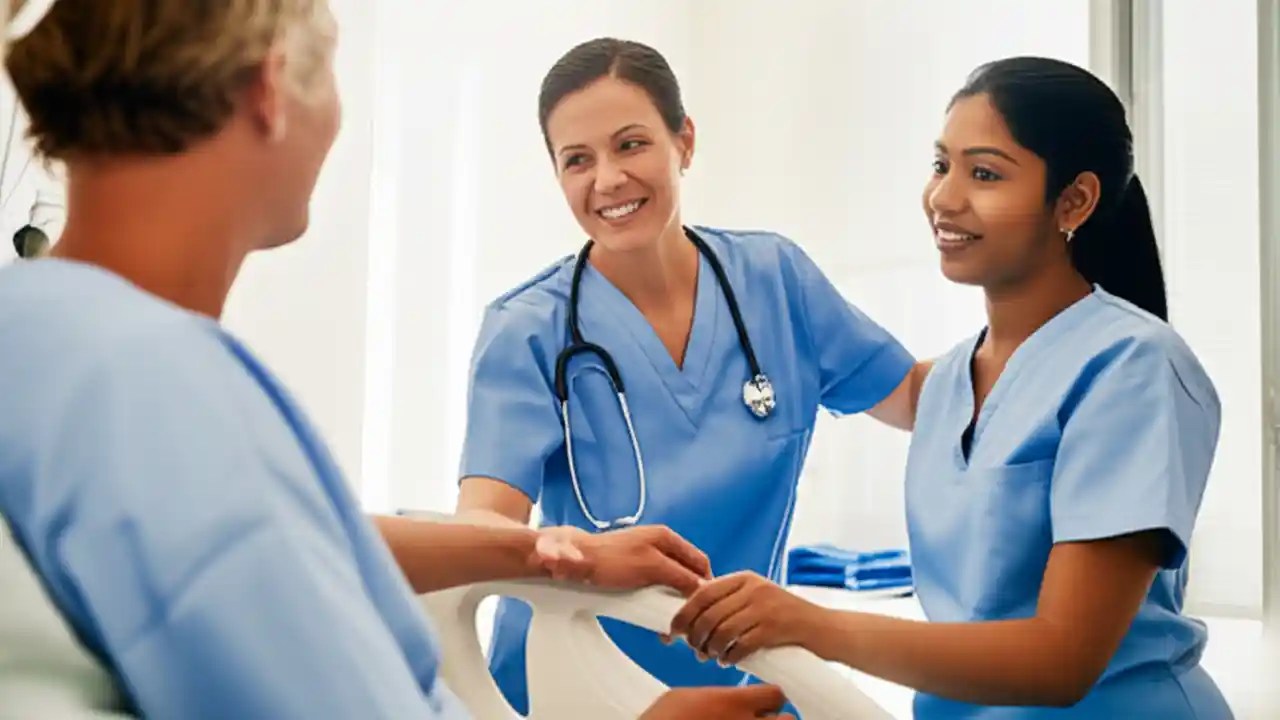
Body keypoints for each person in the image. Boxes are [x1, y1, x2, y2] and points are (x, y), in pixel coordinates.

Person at [0, 2, 793, 718]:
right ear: (271, 89)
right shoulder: (159, 394)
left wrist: (562, 552)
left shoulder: (40, 332)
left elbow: (292, 537)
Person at [668, 56, 1234, 719]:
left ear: (1074, 200)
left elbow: (1062, 660)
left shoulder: (1132, 368)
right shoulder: (945, 386)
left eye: (985, 173)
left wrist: (812, 624)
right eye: (942, 165)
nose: (945, 197)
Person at [386, 36, 930, 714]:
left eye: (631, 144)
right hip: (568, 687)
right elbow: (484, 526)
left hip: (741, 675)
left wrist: (1048, 353)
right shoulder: (528, 328)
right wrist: (555, 548)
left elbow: (915, 396)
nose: (607, 179)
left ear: (685, 142)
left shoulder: (775, 281)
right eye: (576, 160)